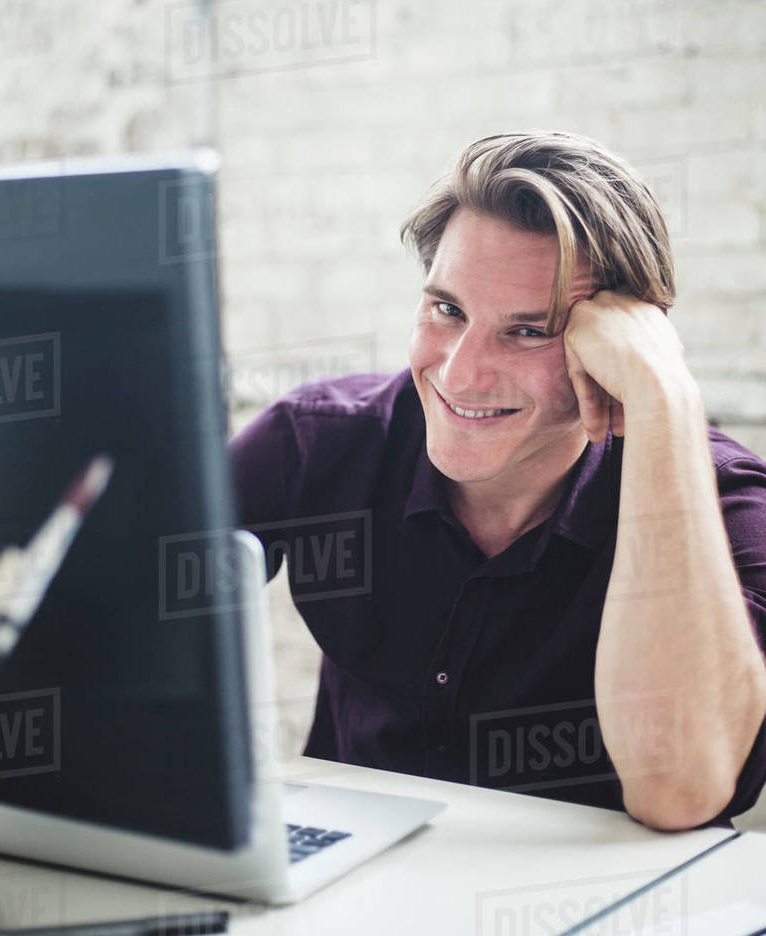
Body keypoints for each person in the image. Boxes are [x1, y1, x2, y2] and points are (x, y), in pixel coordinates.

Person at [230, 131, 766, 831]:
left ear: (620, 345)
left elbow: (681, 790)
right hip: (355, 899)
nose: (459, 374)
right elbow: (106, 638)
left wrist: (665, 396)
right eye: (447, 310)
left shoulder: (727, 507)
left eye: (527, 332)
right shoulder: (317, 443)